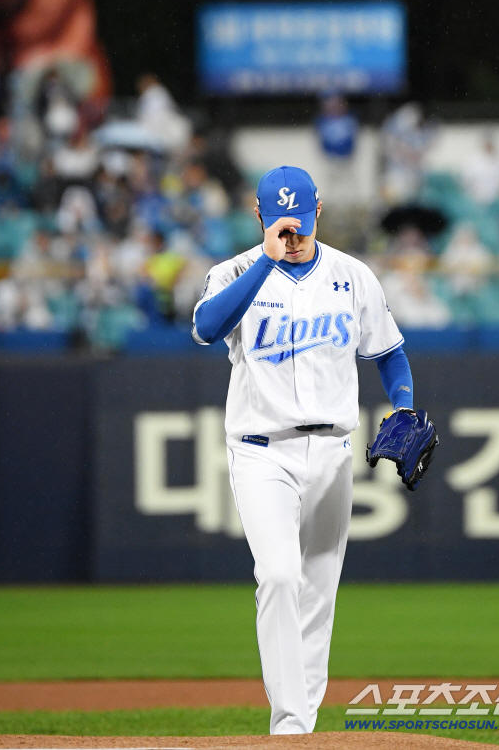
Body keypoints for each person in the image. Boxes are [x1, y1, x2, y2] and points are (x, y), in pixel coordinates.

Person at [192, 165, 415, 735]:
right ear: (260, 216)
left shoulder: (352, 275)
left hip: (332, 450)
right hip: (262, 451)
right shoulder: (235, 270)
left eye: (301, 223)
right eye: (282, 224)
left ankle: (300, 730)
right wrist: (266, 261)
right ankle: (289, 726)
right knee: (279, 575)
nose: (293, 235)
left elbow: (389, 353)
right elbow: (206, 328)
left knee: (318, 592)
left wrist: (403, 406)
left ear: (318, 211)